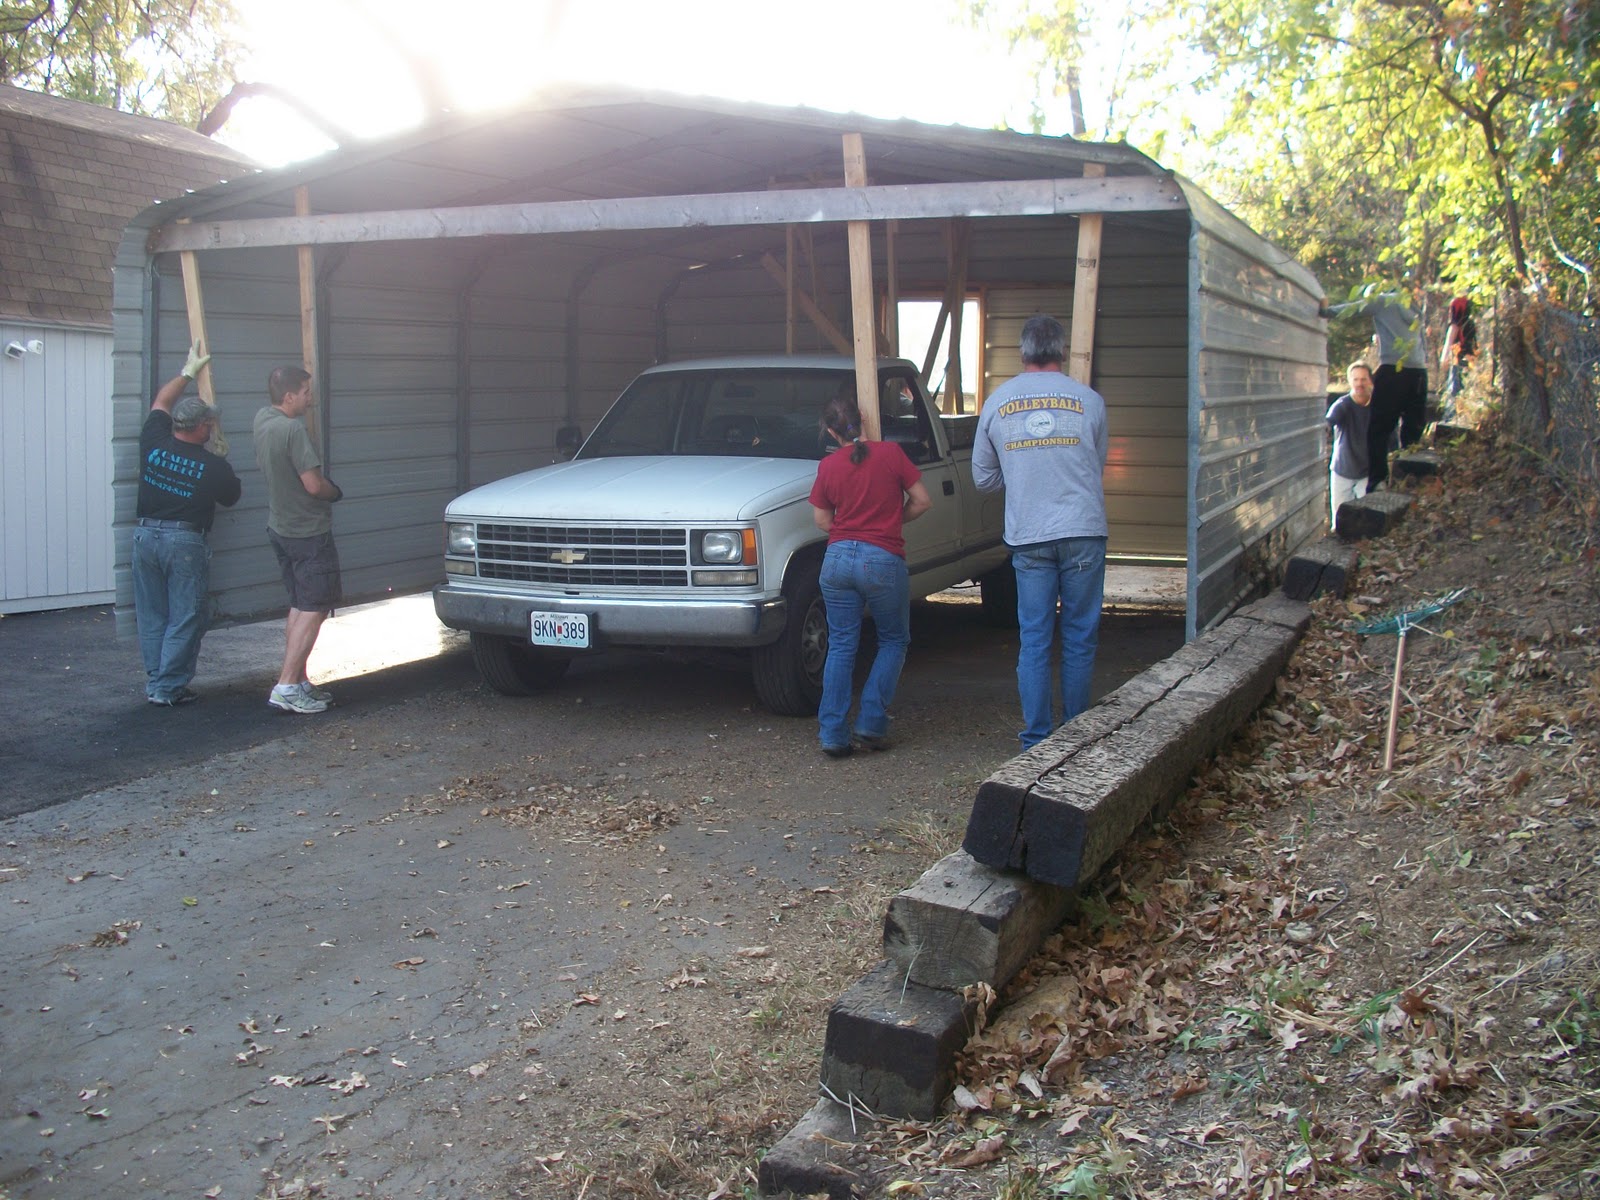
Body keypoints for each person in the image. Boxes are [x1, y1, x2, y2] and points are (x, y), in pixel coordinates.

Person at [972, 313, 1110, 750]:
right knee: (1079, 636)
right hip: (1083, 529)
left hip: (1029, 535)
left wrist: (1021, 475)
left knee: (1034, 639)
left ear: (1022, 353)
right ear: (1061, 352)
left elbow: (982, 478)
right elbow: (1095, 464)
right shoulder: (1090, 401)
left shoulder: (997, 403)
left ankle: (1035, 741)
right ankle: (1074, 738)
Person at [807, 390, 932, 758]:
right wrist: (892, 521)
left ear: (831, 432)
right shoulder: (891, 454)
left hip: (837, 559)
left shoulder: (828, 466)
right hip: (881, 558)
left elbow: (821, 520)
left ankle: (833, 734)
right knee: (893, 640)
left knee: (842, 644)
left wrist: (850, 533)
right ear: (861, 421)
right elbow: (922, 500)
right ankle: (871, 723)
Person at [132, 341, 242, 706]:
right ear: (200, 427)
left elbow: (161, 402)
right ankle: (167, 688)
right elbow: (232, 496)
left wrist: (187, 373)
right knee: (185, 616)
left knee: (153, 615)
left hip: (145, 536)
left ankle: (157, 682)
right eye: (210, 423)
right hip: (182, 543)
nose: (212, 427)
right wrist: (223, 461)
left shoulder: (154, 438)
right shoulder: (211, 465)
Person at [252, 366, 345, 714]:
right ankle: (287, 685)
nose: (310, 399)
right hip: (308, 532)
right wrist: (335, 492)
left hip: (281, 527)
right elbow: (314, 486)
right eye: (306, 393)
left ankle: (299, 679)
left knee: (300, 604)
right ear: (289, 396)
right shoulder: (293, 430)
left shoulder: (263, 419)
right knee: (314, 607)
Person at [1324, 290, 1428, 490]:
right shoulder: (1412, 305)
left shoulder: (1381, 301)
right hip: (1419, 372)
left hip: (1393, 370)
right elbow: (1422, 338)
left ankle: (1377, 481)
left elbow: (1353, 309)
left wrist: (1325, 311)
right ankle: (1409, 479)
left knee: (1379, 429)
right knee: (1412, 428)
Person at [1326, 363, 1374, 523]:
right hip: (1343, 470)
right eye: (1356, 379)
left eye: (1363, 379)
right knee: (1340, 522)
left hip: (1368, 472)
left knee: (1368, 519)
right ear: (1350, 381)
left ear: (1370, 381)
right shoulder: (1342, 405)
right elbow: (1328, 422)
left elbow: (1391, 436)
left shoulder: (1379, 407)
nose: (1359, 383)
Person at [1439, 295, 1476, 420]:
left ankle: (1450, 418)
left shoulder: (1455, 326)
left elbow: (1449, 340)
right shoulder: (1470, 323)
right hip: (1469, 361)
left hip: (1458, 361)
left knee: (1454, 391)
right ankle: (1461, 417)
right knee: (1464, 390)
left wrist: (1444, 358)